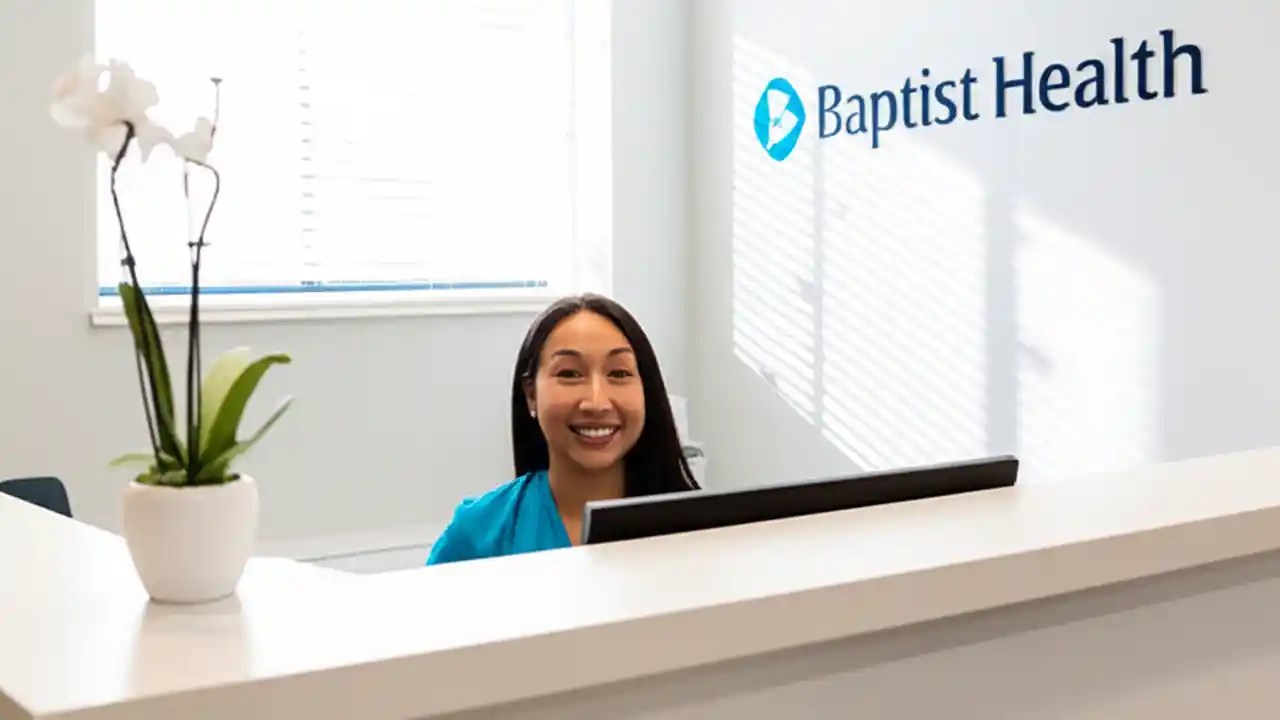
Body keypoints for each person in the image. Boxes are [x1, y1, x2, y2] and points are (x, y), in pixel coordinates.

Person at [425, 293, 698, 565]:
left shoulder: (700, 531)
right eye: (569, 374)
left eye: (618, 373)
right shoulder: (477, 533)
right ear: (531, 393)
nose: (597, 402)